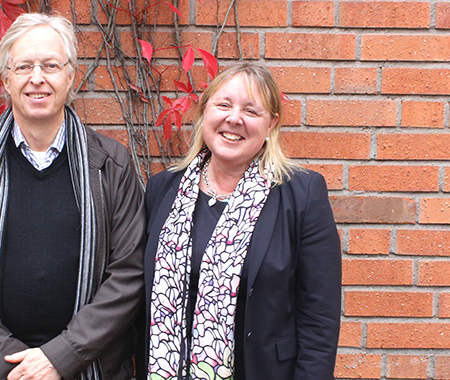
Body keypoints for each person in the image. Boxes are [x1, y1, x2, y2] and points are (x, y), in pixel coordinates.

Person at [0, 13, 145, 380]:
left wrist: (61, 356)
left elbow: (129, 273)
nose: (37, 78)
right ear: (6, 78)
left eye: (50, 65)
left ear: (71, 76)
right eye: (24, 66)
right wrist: (8, 359)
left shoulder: (110, 164)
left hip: (91, 368)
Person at [140, 63, 341, 380]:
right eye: (223, 105)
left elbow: (319, 318)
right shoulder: (163, 189)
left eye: (251, 110)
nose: (234, 119)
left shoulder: (301, 195)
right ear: (205, 110)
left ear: (271, 123)